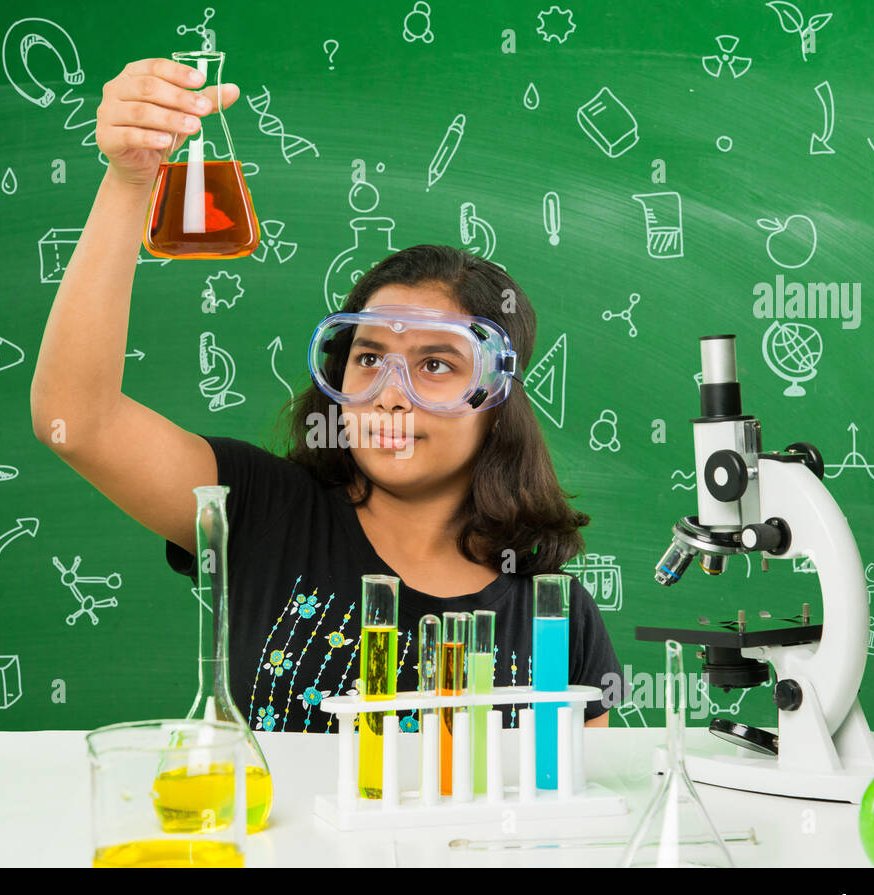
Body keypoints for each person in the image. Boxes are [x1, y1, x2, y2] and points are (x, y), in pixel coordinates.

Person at [31, 57, 622, 733]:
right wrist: (130, 178)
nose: (388, 395)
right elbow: (73, 421)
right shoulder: (258, 510)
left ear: (494, 392)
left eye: (435, 364)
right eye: (368, 358)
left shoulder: (554, 611)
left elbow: (580, 813)